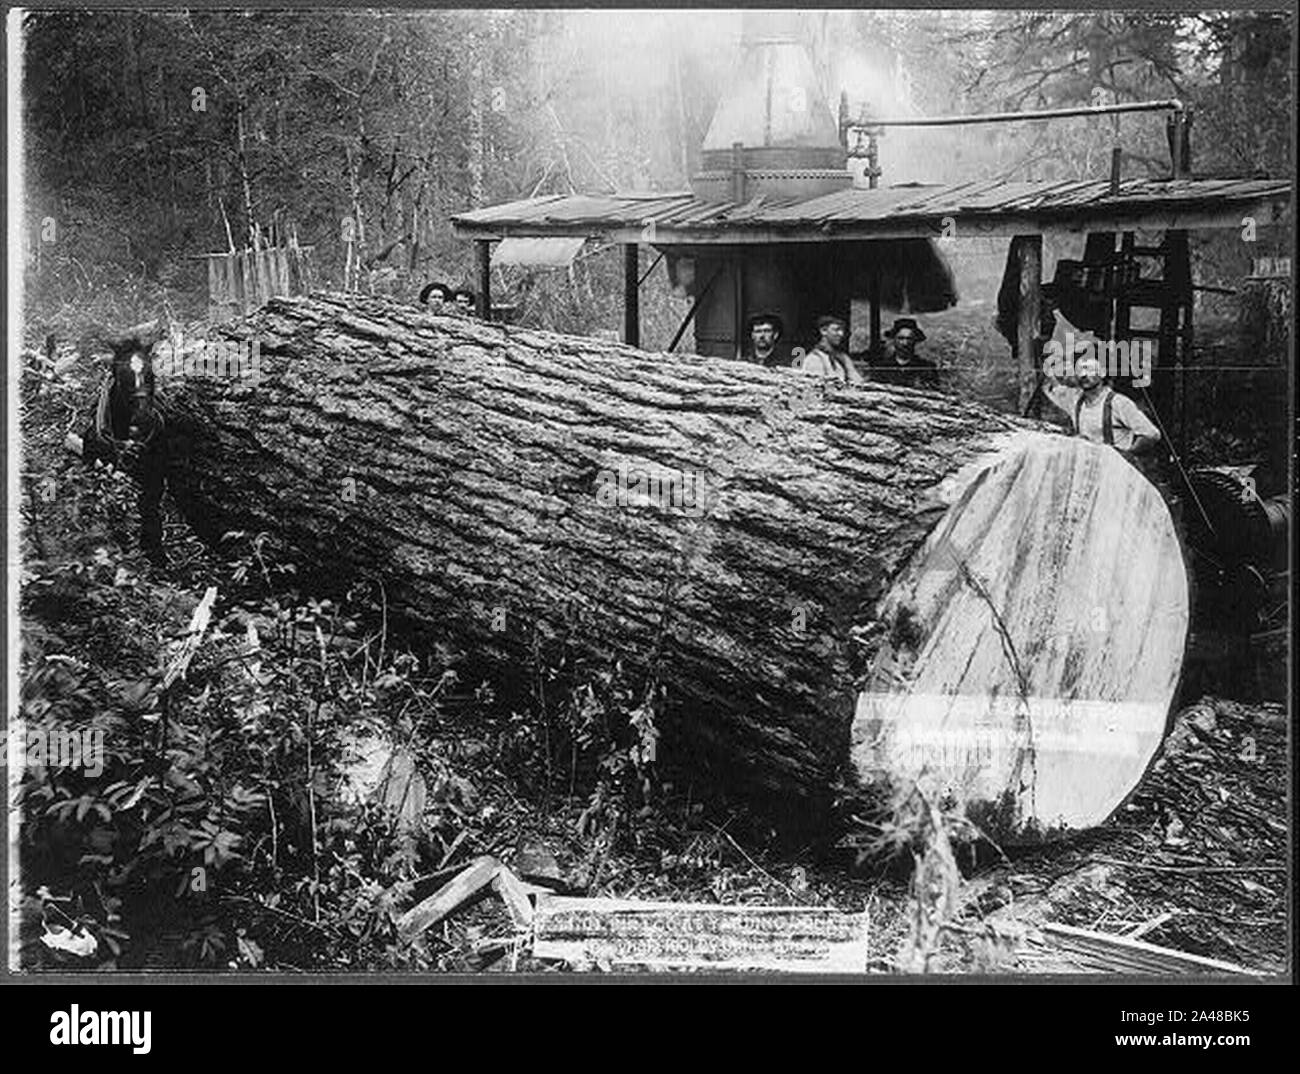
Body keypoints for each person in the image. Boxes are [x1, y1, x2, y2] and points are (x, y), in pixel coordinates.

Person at [1042, 337, 1161, 457]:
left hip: (1112, 469)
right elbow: (1051, 383)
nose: (1083, 375)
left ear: (1102, 373)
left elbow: (1151, 434)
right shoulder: (1075, 399)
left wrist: (1128, 454)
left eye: (1089, 369)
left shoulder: (1119, 403)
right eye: (1079, 369)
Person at [869, 317, 939, 389]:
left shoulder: (926, 368)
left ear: (915, 341)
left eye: (909, 339)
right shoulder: (882, 367)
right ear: (894, 340)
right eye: (901, 338)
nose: (905, 343)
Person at [799, 315, 864, 385]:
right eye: (836, 330)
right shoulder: (814, 359)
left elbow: (858, 381)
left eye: (842, 330)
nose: (841, 334)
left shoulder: (843, 358)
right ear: (823, 331)